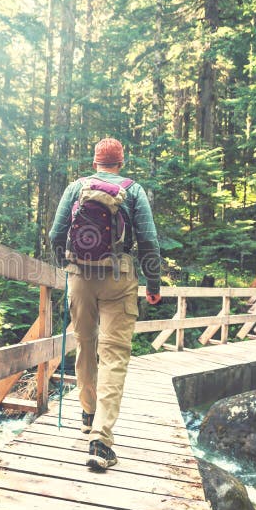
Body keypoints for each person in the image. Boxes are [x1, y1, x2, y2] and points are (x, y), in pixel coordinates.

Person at [49, 137, 161, 471]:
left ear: (95, 161)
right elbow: (149, 241)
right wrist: (153, 283)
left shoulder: (76, 187)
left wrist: (67, 266)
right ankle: (100, 441)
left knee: (85, 343)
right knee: (114, 355)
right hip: (119, 275)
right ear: (120, 162)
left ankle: (87, 412)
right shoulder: (134, 190)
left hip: (80, 277)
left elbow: (56, 235)